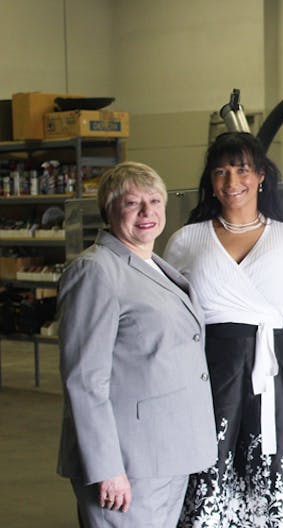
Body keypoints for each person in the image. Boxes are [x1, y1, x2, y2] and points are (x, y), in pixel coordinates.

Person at [165, 132, 283, 527]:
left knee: (272, 480)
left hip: (273, 380)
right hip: (208, 378)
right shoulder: (187, 240)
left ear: (260, 176)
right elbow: (169, 326)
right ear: (210, 180)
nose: (231, 181)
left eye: (241, 170)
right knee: (210, 477)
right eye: (220, 171)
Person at [57, 161, 217, 527]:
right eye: (132, 203)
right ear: (109, 210)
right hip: (127, 464)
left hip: (165, 455)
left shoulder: (155, 266)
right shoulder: (96, 271)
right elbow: (84, 380)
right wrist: (107, 468)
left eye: (155, 201)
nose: (147, 212)